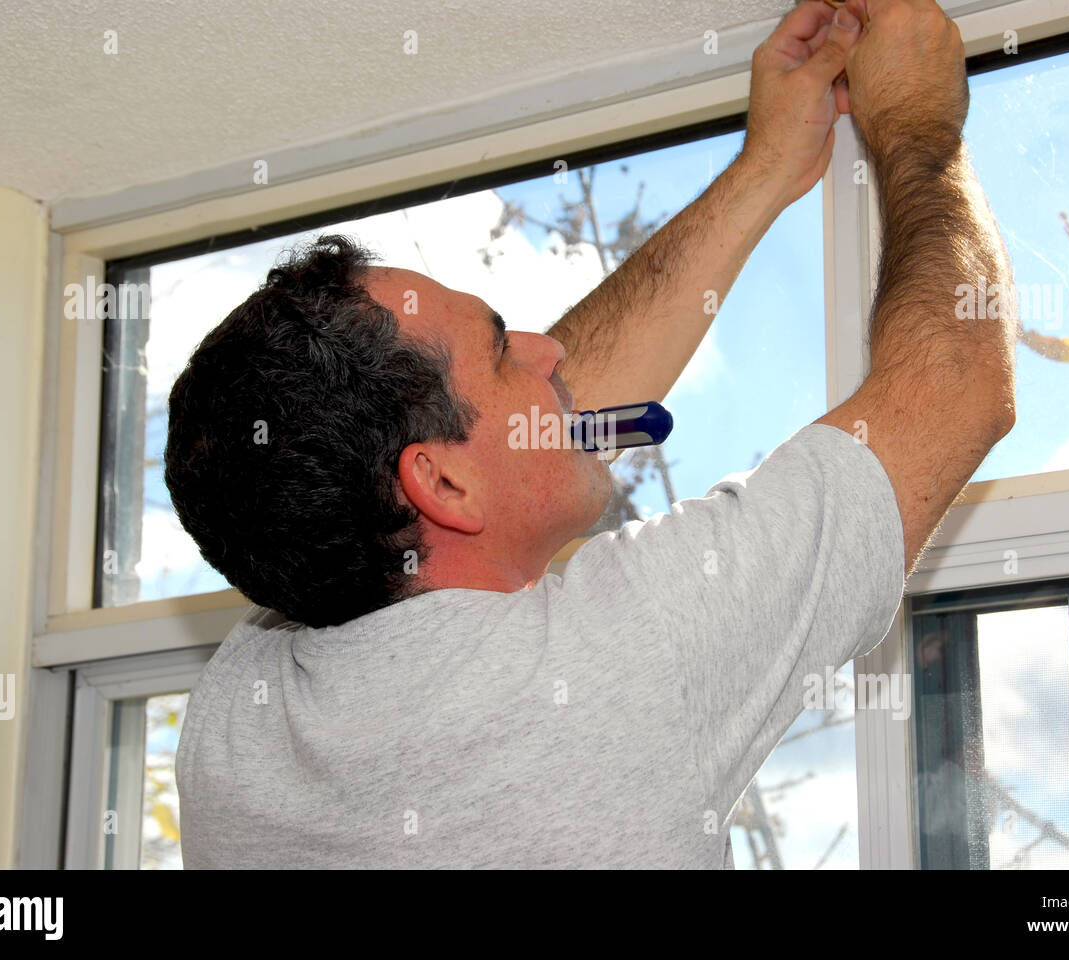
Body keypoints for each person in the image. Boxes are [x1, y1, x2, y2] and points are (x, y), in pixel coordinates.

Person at [168, 0, 1017, 868]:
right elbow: (951, 395)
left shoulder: (240, 717)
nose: (549, 348)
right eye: (502, 351)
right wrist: (917, 123)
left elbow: (509, 447)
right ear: (442, 487)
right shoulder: (615, 665)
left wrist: (767, 167)